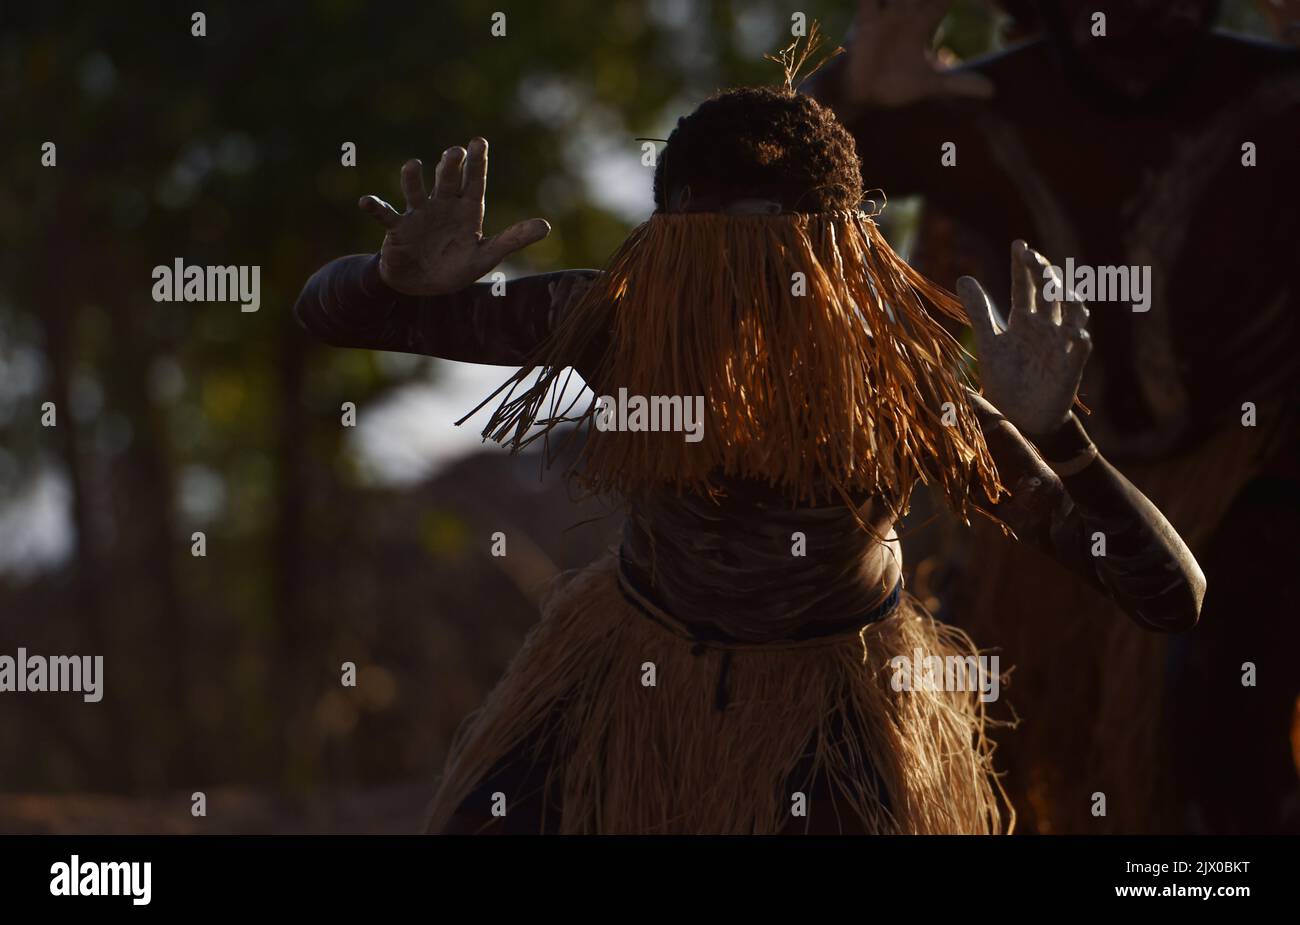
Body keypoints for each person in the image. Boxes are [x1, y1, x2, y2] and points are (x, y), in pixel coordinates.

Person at [293, 73, 1203, 833]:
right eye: (714, 267)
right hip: (622, 677)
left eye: (780, 265)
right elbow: (331, 317)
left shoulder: (908, 392)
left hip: (840, 712)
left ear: (847, 260)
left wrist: (1063, 438)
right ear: (663, 257)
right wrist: (388, 279)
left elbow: (1168, 595)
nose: (749, 303)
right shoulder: (619, 321)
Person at [806, 0, 1300, 833]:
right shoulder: (986, 105)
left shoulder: (1276, 96)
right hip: (1056, 489)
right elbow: (750, 182)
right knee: (1001, 742)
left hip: (1252, 487)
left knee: (1227, 740)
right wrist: (848, 89)